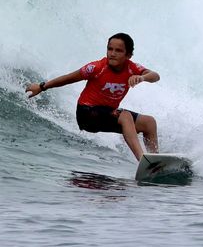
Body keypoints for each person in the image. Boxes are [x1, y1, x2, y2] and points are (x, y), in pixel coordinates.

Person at [25, 32, 160, 161]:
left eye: (118, 51)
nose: (112, 54)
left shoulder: (132, 68)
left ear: (128, 55)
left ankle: (156, 162)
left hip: (107, 113)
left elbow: (155, 76)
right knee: (125, 116)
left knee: (149, 123)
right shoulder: (96, 67)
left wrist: (142, 78)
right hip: (87, 113)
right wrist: (42, 87)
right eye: (110, 49)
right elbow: (68, 78)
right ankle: (143, 160)